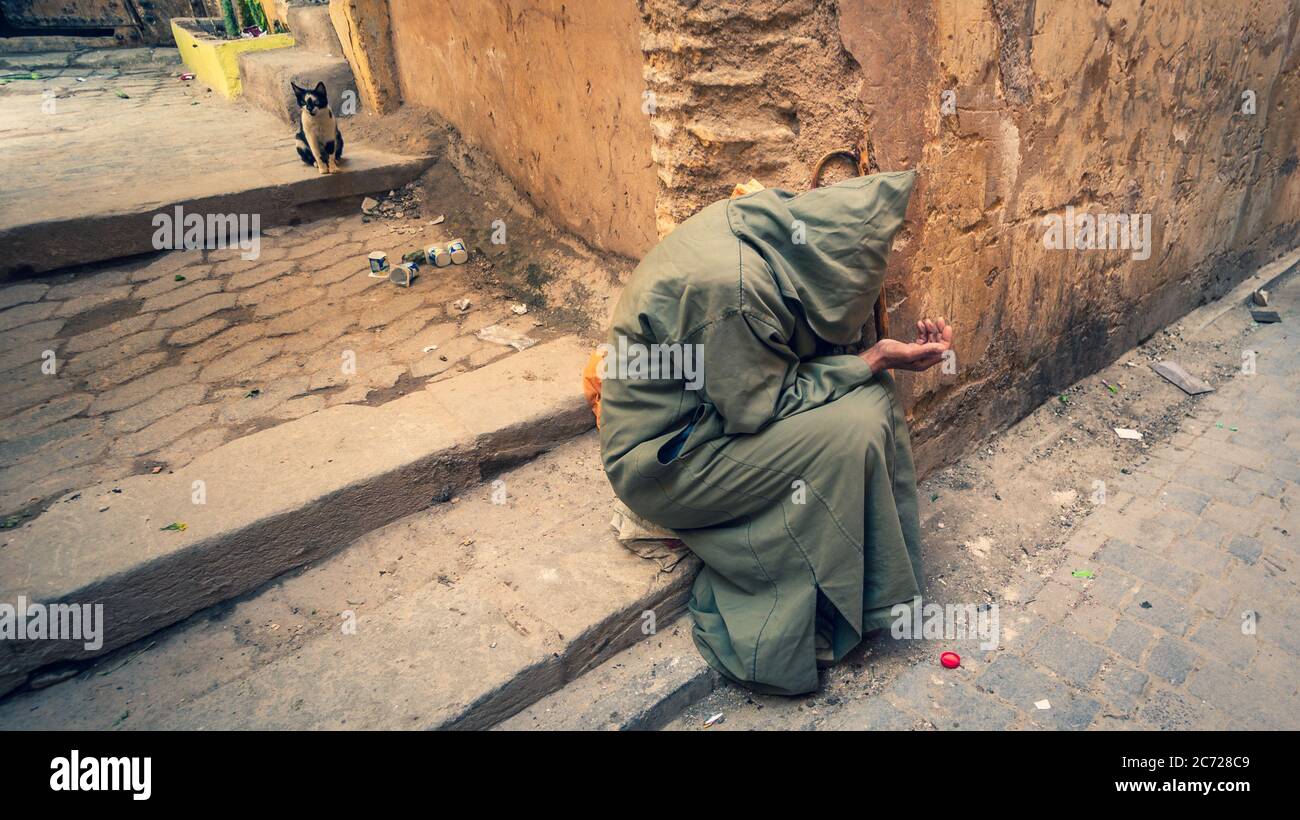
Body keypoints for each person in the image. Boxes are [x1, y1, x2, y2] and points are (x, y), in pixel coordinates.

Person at [598, 170, 954, 695]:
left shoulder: (767, 224)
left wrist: (875, 362)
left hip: (709, 416)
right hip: (664, 462)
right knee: (849, 432)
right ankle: (788, 626)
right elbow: (758, 409)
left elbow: (777, 369)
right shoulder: (733, 291)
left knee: (869, 401)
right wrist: (875, 357)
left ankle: (872, 591)